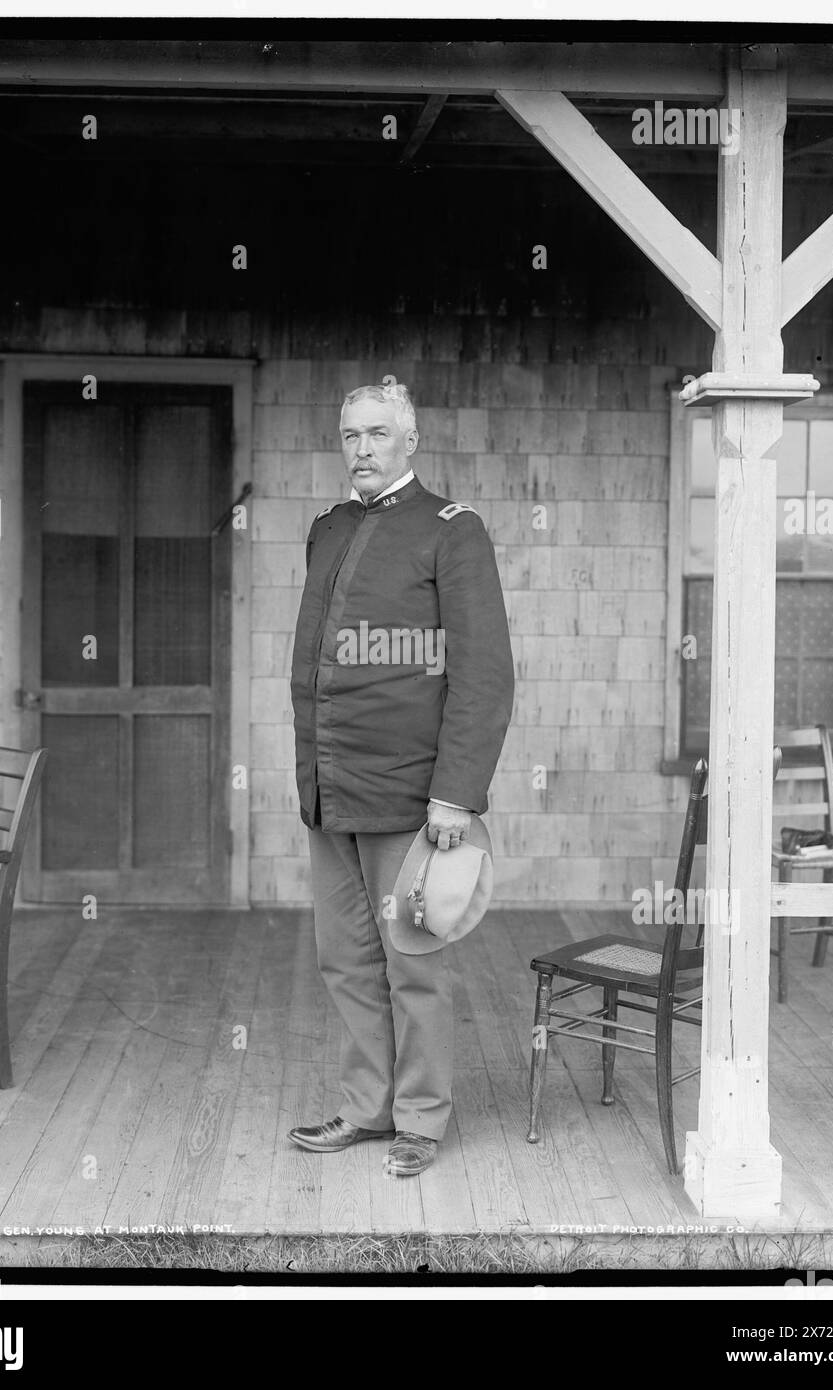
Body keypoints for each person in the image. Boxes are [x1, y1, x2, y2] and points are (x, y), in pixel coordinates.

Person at [287, 381, 514, 1176]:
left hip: (410, 797)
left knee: (412, 963)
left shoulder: (452, 531)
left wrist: (454, 793)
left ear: (409, 441)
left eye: (378, 434)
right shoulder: (328, 529)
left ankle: (420, 1115)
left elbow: (483, 675)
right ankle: (366, 1107)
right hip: (329, 791)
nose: (361, 449)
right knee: (344, 960)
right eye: (349, 435)